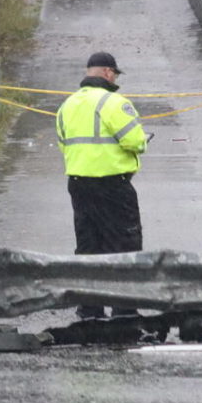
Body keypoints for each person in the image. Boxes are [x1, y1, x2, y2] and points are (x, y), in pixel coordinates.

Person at [55, 51, 146, 255]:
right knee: (124, 246)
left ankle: (87, 283)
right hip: (112, 186)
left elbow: (64, 145)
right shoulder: (113, 102)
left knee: (88, 244)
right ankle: (123, 286)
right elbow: (136, 142)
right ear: (107, 72)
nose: (115, 78)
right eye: (115, 74)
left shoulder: (66, 106)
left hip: (79, 185)